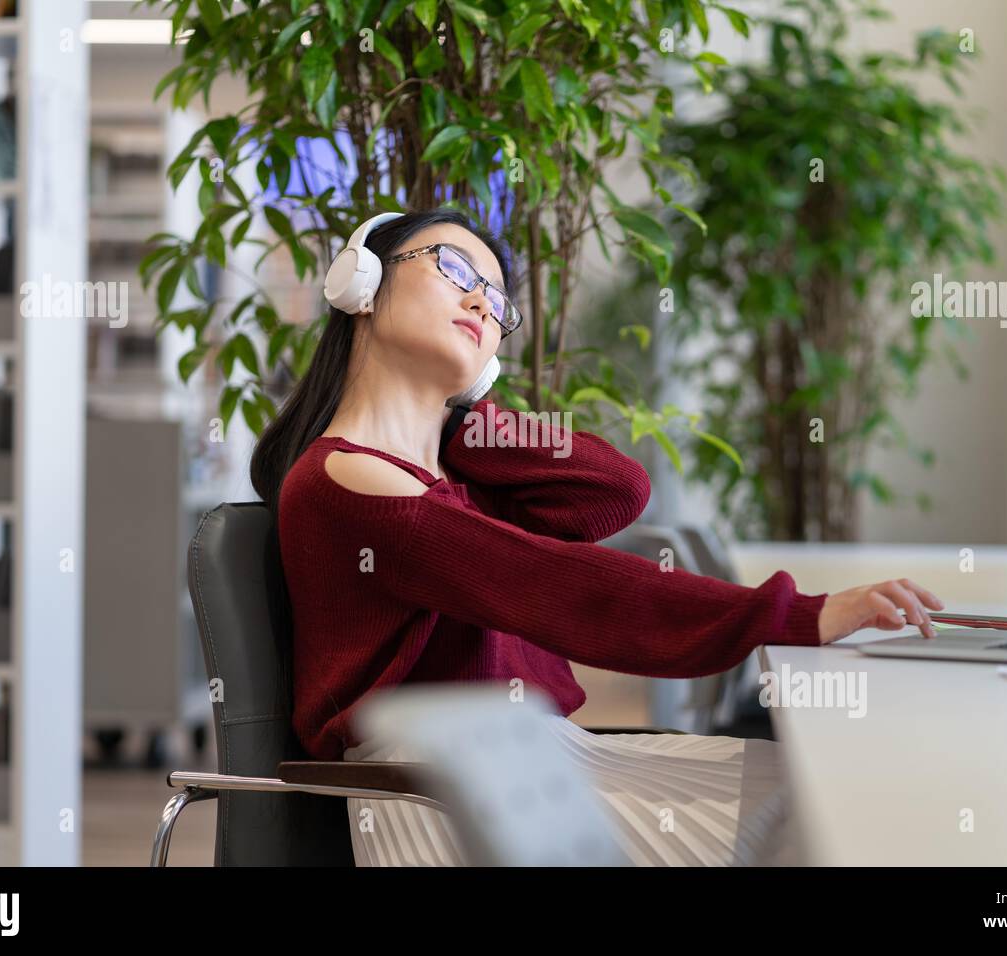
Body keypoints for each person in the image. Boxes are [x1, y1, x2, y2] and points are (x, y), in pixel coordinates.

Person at [250, 207, 944, 865]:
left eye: (496, 299)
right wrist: (801, 615)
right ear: (361, 285)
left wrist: (462, 423)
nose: (483, 303)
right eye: (456, 270)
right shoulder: (348, 482)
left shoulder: (452, 480)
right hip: (446, 799)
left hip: (533, 763)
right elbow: (568, 591)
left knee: (828, 782)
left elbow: (614, 488)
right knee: (824, 810)